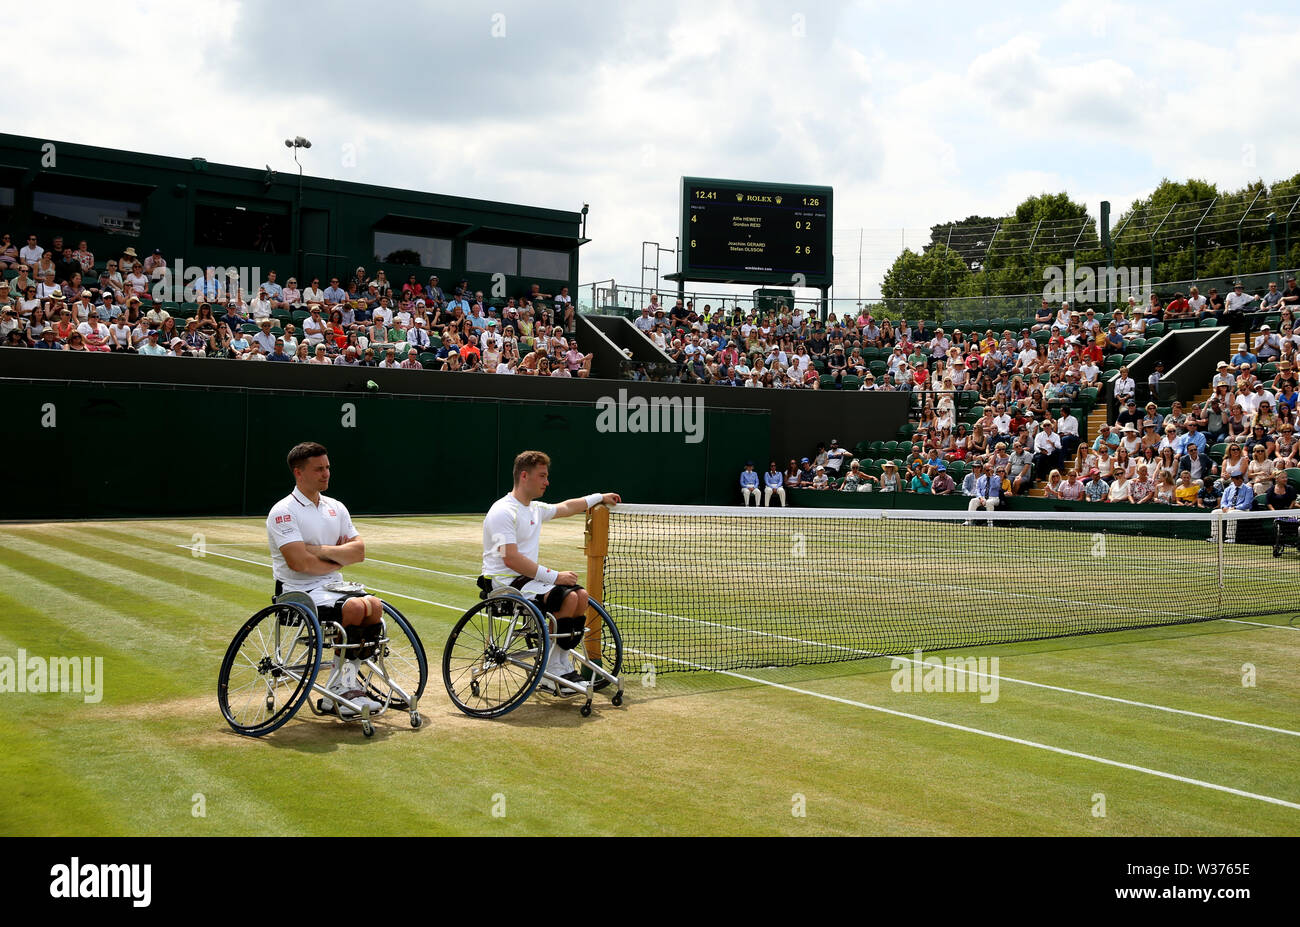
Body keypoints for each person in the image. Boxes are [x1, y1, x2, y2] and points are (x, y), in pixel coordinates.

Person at [480, 450, 621, 694]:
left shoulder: (535, 508)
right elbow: (511, 558)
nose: (547, 481)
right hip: (503, 584)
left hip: (527, 581)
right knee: (566, 597)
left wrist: (600, 497)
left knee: (582, 596)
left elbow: (566, 507)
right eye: (542, 476)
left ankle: (558, 663)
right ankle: (549, 670)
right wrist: (555, 576)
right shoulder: (502, 511)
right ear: (525, 476)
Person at [267, 442, 385, 717]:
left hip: (333, 588)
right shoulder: (283, 512)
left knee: (375, 606)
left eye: (328, 467)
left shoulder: (337, 507)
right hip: (297, 592)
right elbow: (298, 563)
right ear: (298, 473)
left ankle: (341, 687)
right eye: (318, 469)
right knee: (356, 607)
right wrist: (339, 557)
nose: (326, 473)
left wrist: (320, 551)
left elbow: (359, 552)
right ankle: (343, 690)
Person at [1210, 471, 1254, 543]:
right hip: (1229, 509)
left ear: (1241, 479)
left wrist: (1235, 508)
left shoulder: (1248, 489)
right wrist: (1224, 507)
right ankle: (1215, 537)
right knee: (1214, 512)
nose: (1238, 481)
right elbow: (1223, 501)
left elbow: (1247, 504)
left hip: (1243, 510)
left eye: (1239, 479)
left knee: (1231, 513)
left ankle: (1231, 537)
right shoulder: (1228, 489)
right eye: (1235, 480)